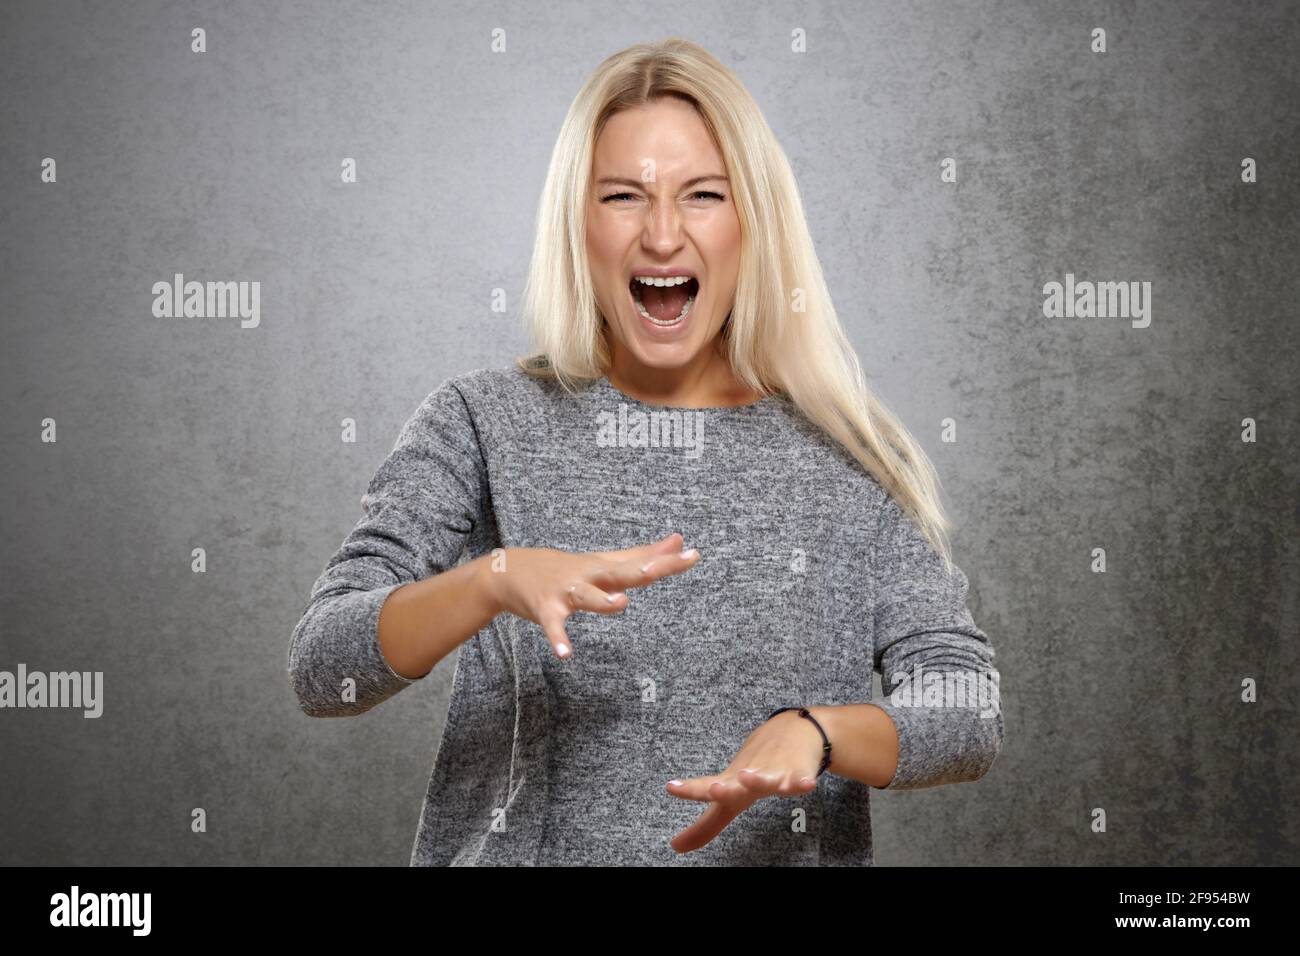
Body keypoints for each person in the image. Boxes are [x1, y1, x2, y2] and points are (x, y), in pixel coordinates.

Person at [288, 37, 1003, 866]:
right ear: (578, 224)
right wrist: (492, 579)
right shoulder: (481, 422)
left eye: (703, 195)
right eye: (624, 196)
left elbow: (967, 707)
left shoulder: (850, 459)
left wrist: (819, 732)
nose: (663, 236)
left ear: (752, 222)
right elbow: (322, 666)